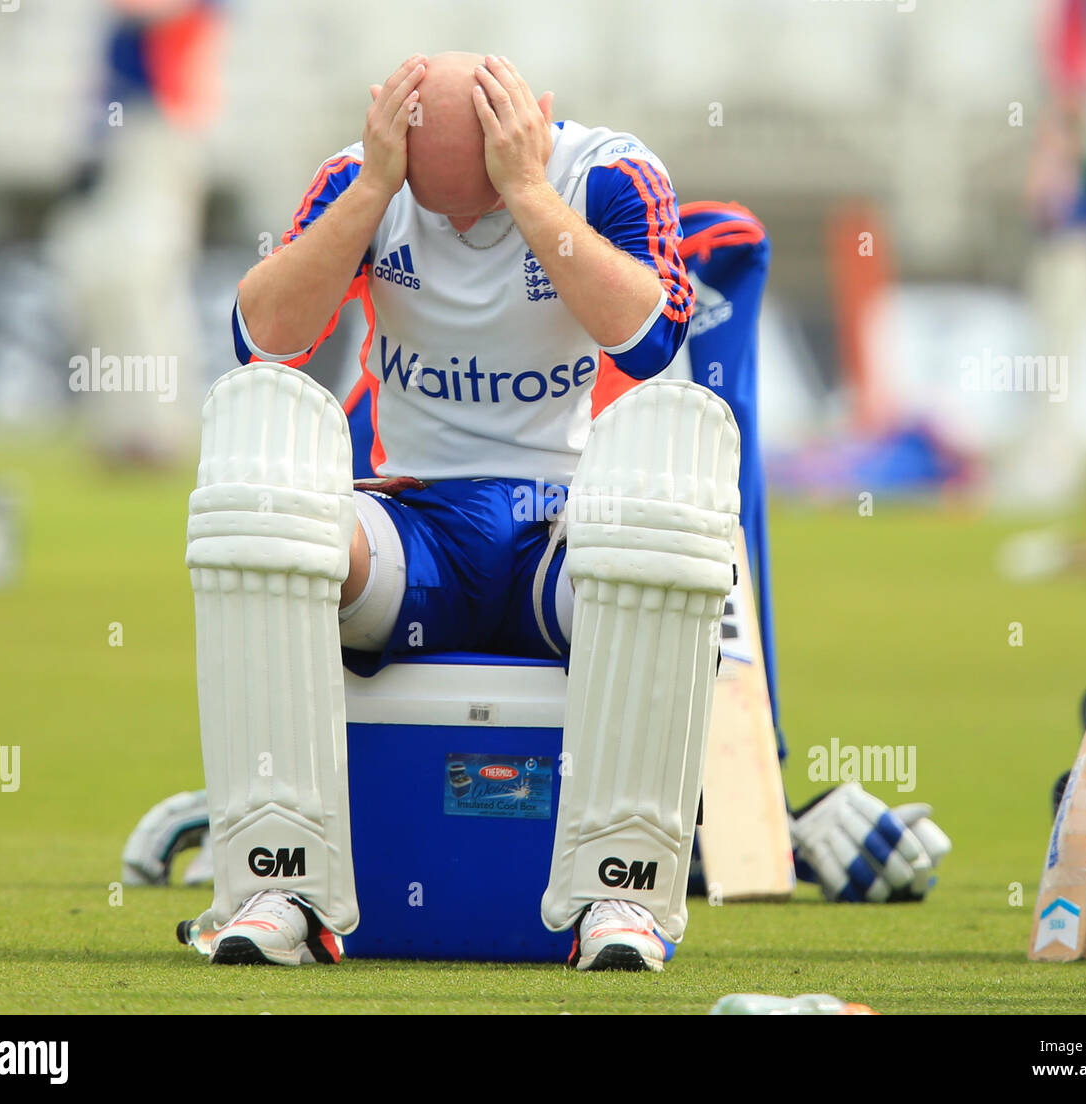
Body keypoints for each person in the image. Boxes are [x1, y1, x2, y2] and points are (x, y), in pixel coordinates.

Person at [179, 50, 723, 972]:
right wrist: (377, 189)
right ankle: (280, 884)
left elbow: (651, 335)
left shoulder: (608, 172)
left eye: (480, 203)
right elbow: (261, 339)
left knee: (655, 546)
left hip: (563, 528)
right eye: (444, 209)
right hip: (417, 524)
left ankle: (620, 899)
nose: (465, 227)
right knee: (272, 525)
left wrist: (527, 193)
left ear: (537, 126)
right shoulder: (362, 181)